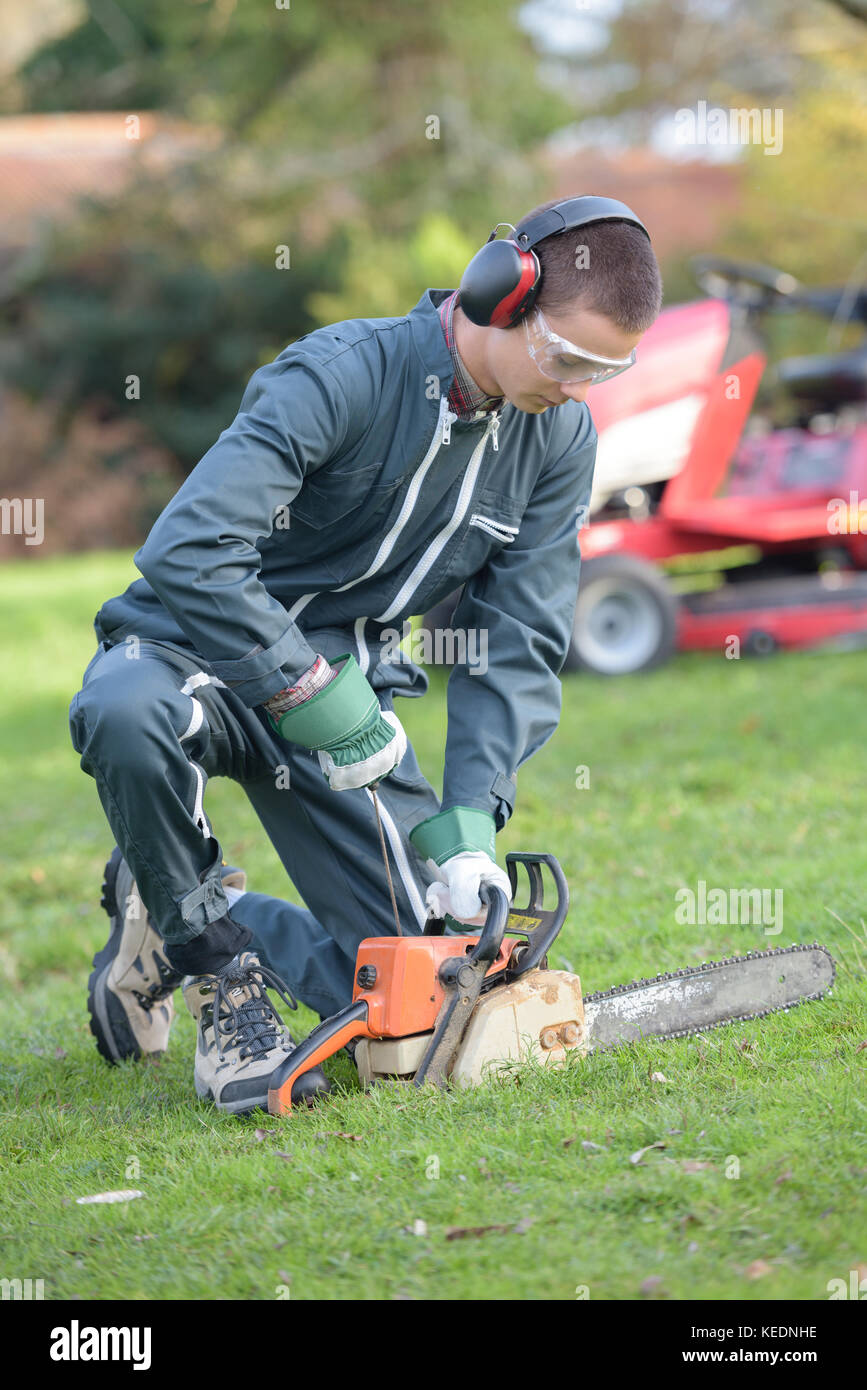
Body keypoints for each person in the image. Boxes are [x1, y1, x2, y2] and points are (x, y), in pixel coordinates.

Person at [68, 194, 663, 1115]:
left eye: (605, 369)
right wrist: (299, 682)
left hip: (350, 707)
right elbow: (191, 548)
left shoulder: (557, 438)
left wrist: (470, 816)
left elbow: (519, 636)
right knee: (122, 710)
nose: (578, 388)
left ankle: (156, 895)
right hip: (191, 654)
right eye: (566, 357)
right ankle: (220, 975)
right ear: (499, 295)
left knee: (415, 992)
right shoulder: (342, 375)